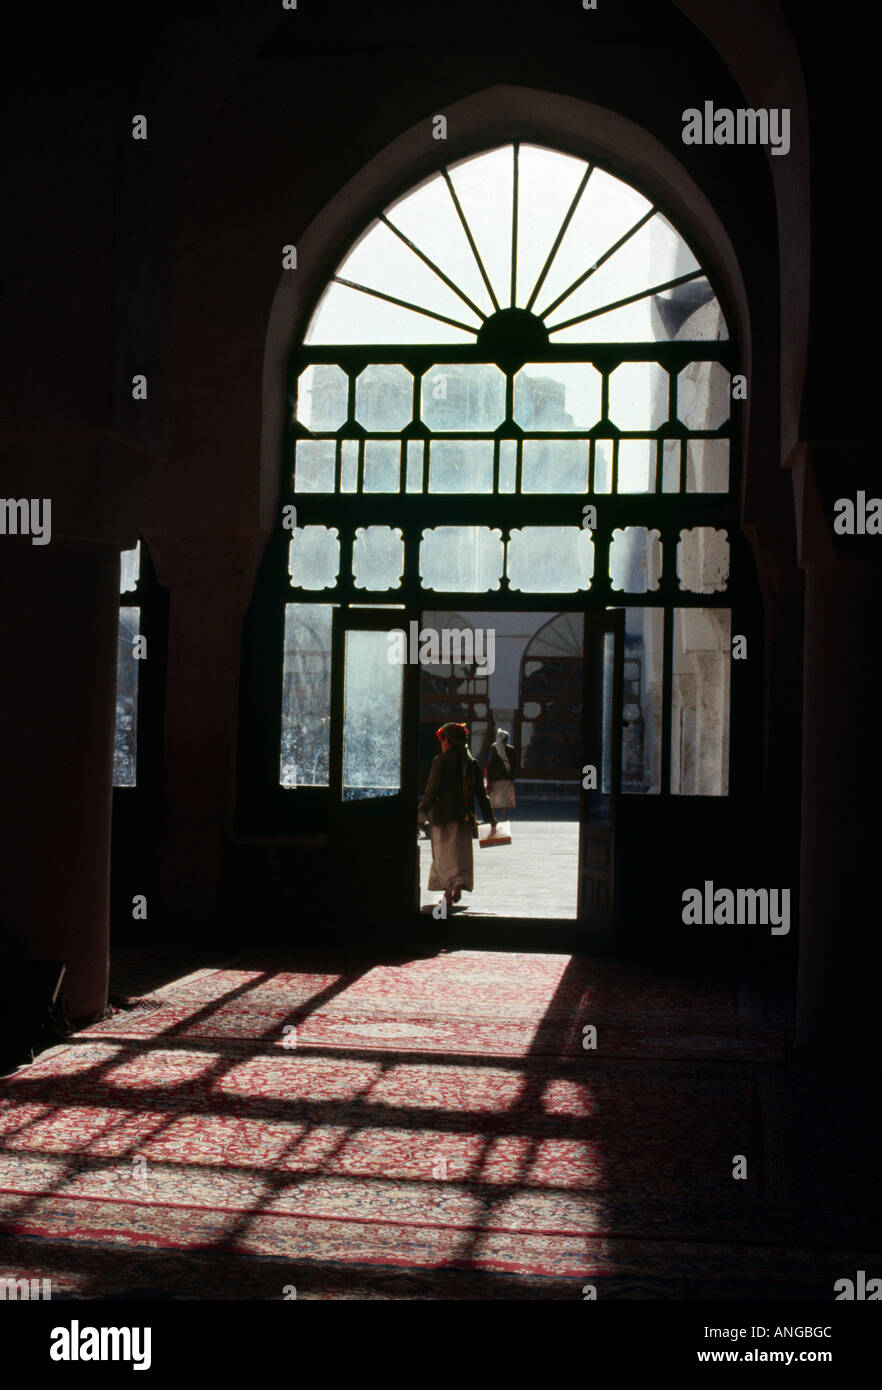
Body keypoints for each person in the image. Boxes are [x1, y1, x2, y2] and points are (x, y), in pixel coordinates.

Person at [417, 722, 496, 910]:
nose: (441, 743)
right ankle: (458, 883)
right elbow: (481, 795)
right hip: (464, 818)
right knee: (460, 854)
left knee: (444, 856)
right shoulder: (472, 763)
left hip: (442, 818)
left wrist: (421, 811)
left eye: (442, 739)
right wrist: (490, 817)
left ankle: (447, 891)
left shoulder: (441, 761)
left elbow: (432, 790)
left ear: (448, 741)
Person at [485, 728, 517, 822]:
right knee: (505, 798)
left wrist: (488, 776)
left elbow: (491, 762)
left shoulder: (494, 747)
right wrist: (513, 776)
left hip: (496, 777)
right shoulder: (511, 749)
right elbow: (514, 763)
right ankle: (504, 816)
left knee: (493, 797)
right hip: (507, 777)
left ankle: (492, 816)